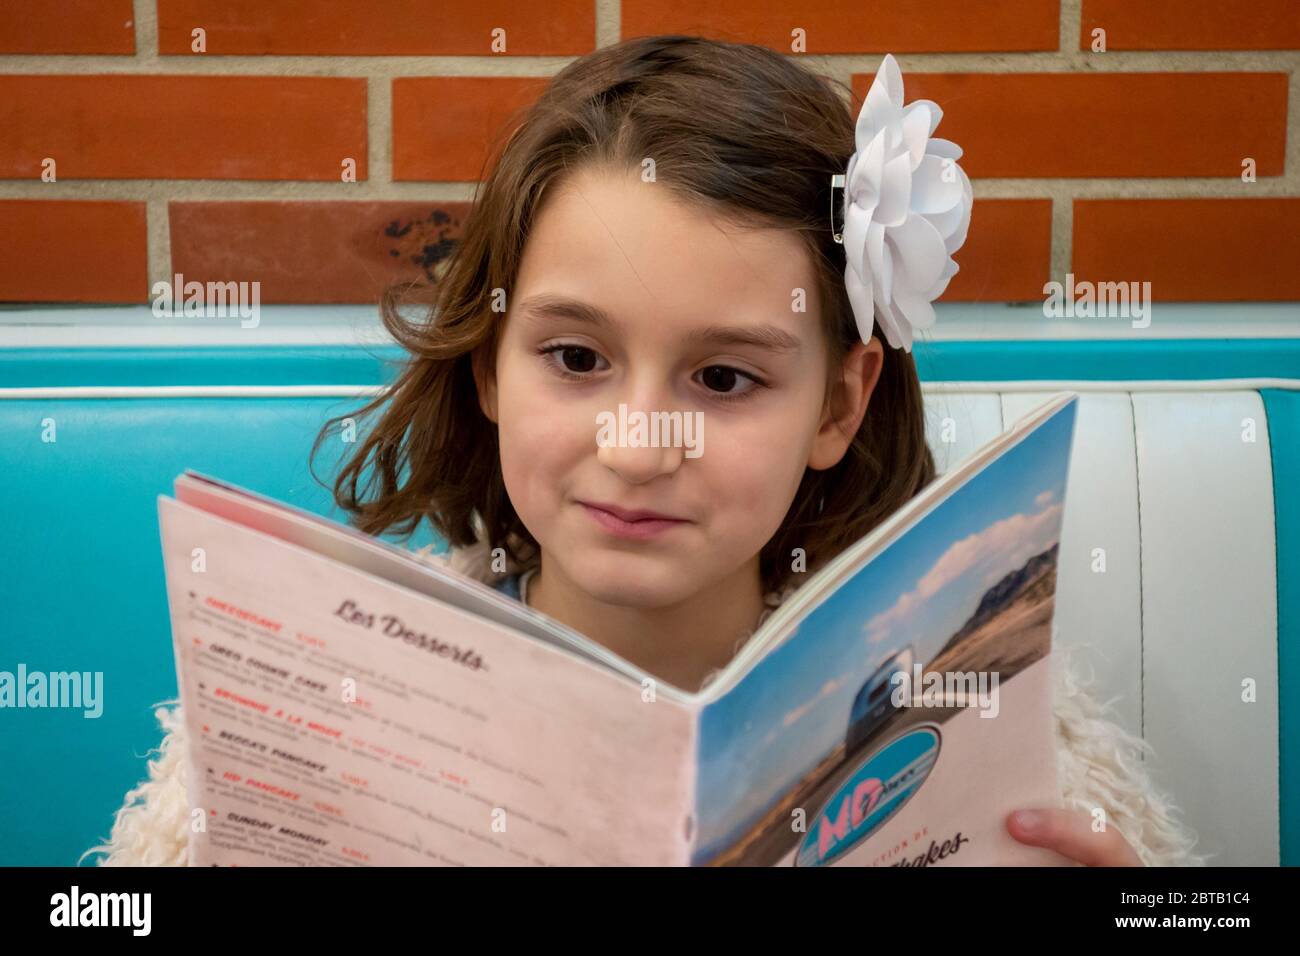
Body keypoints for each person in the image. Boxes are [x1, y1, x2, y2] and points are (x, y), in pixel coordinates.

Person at [85, 35, 1204, 867]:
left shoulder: (1009, 723)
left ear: (837, 404)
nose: (635, 443)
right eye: (575, 357)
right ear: (488, 362)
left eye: (724, 378)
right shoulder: (297, 711)